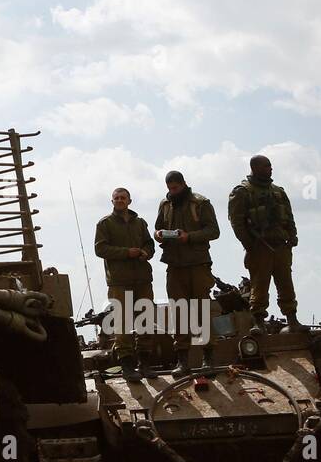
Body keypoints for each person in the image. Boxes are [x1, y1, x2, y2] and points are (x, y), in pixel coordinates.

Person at [228, 154, 306, 333]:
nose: (270, 169)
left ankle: (292, 319)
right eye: (266, 166)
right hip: (259, 246)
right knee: (260, 285)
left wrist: (292, 236)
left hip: (281, 246)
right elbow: (237, 223)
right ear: (254, 168)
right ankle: (258, 321)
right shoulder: (242, 192)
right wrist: (250, 245)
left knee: (286, 284)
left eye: (270, 165)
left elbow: (289, 216)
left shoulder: (278, 191)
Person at [154, 170, 219, 378]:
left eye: (176, 187)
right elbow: (158, 229)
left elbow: (213, 231)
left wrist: (189, 237)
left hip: (198, 264)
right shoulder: (165, 205)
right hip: (174, 265)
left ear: (183, 184)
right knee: (179, 313)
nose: (173, 191)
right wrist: (159, 235)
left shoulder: (200, 203)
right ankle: (183, 362)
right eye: (169, 188)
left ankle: (208, 359)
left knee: (201, 311)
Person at [93, 187, 156, 381]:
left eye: (123, 198)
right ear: (112, 201)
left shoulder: (140, 223)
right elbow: (100, 248)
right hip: (119, 281)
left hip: (142, 279)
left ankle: (145, 364)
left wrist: (146, 252)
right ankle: (127, 365)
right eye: (116, 198)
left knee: (145, 321)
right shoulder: (105, 224)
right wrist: (126, 253)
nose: (120, 200)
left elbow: (150, 244)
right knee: (123, 324)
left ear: (130, 201)